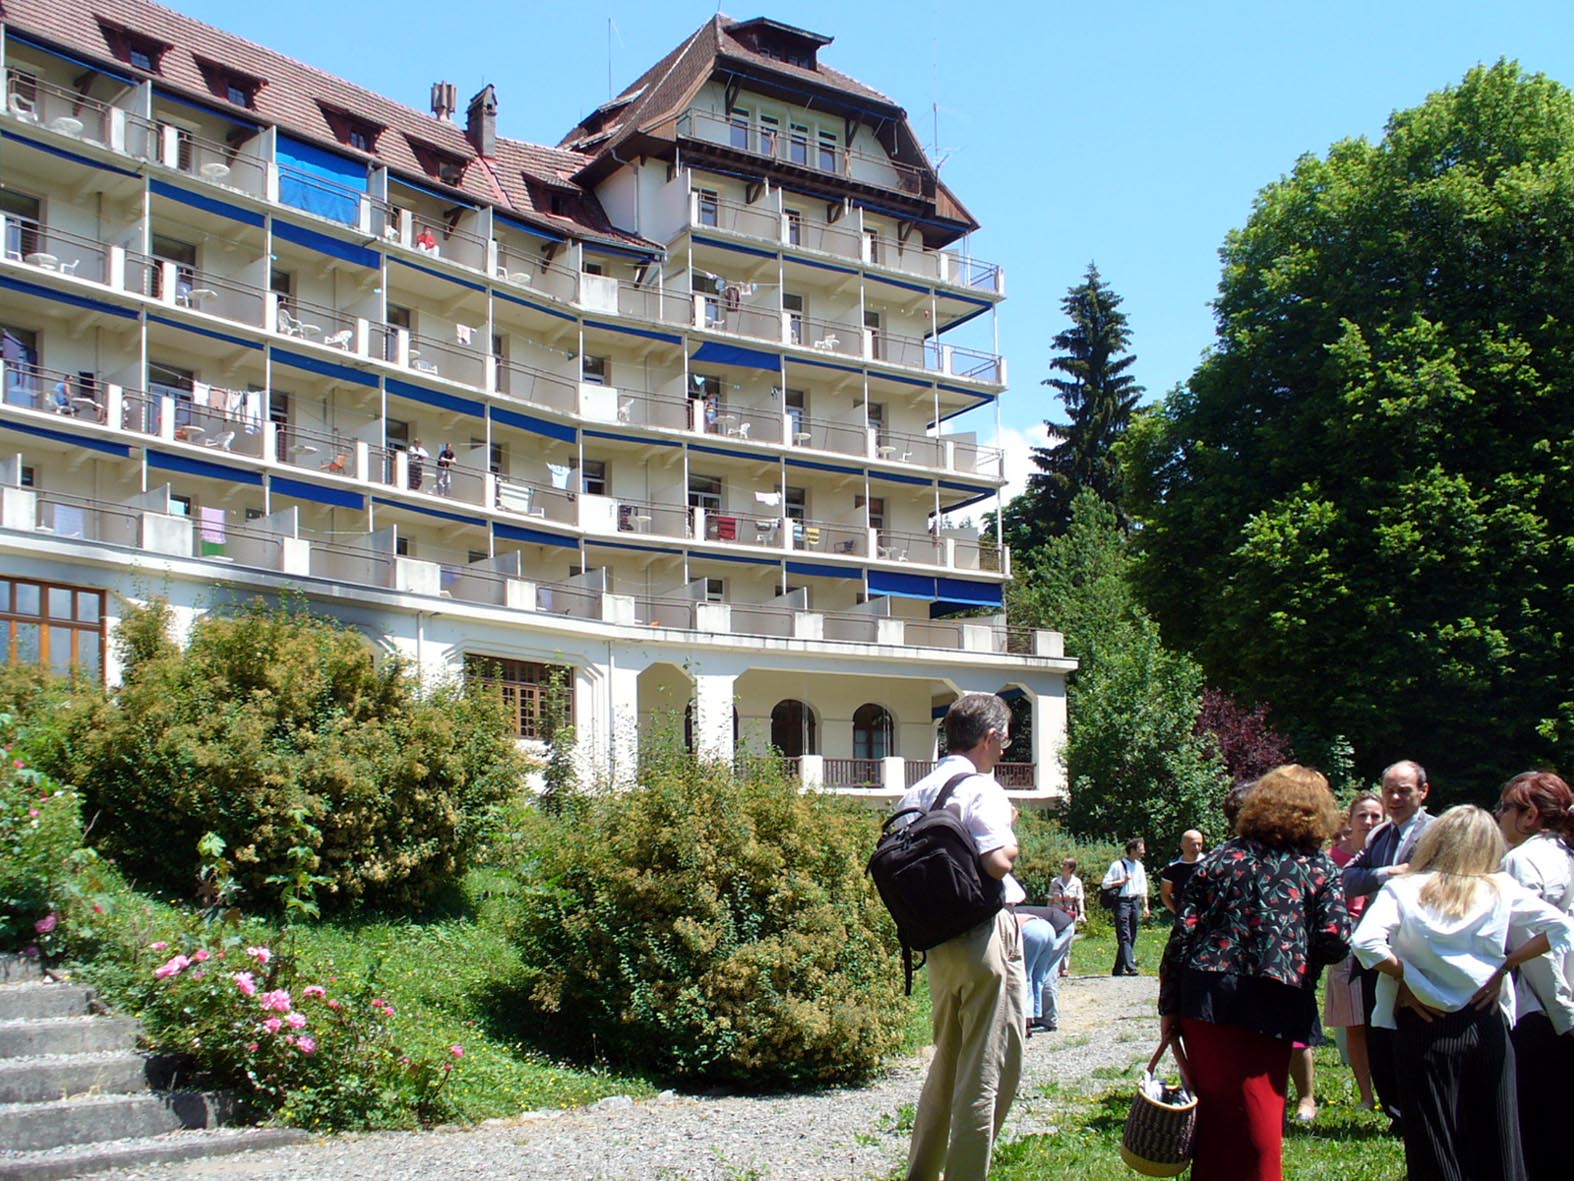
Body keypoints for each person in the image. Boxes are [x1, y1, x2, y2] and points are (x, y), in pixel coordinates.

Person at [1352, 805, 1574, 1181]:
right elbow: (1560, 927)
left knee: (1434, 1143)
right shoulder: (1500, 888)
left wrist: (1408, 978)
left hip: (1423, 1023)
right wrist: (1505, 964)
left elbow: (1366, 943)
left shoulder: (1404, 888)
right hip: (1485, 1020)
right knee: (1500, 1139)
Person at [1159, 764, 1349, 1181]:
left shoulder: (1220, 859)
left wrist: (1169, 1007)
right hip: (1274, 1001)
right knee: (1260, 1121)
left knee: (1212, 1119)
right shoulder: (1317, 868)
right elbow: (1334, 941)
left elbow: (1181, 937)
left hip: (1205, 999)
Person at [899, 693, 1024, 1181]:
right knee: (987, 1067)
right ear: (989, 738)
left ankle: (922, 1173)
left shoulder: (918, 791)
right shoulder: (982, 788)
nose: (1006, 749)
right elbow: (998, 862)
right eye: (1005, 739)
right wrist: (1010, 831)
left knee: (946, 1063)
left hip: (937, 939)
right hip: (983, 935)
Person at [1342, 758, 1434, 1133]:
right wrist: (1387, 874)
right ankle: (1395, 1111)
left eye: (1404, 791)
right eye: (1389, 791)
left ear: (1423, 792)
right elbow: (1347, 879)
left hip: (1414, 949)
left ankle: (1417, 1111)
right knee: (1378, 1034)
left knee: (1412, 1030)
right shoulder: (1380, 834)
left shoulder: (1435, 832)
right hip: (1374, 948)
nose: (1394, 798)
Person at [1494, 772, 1574, 1181]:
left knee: (1542, 1130)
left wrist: (1563, 1017)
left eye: (1505, 807)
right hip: (1558, 1012)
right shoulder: (1564, 853)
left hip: (1543, 1014)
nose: (1499, 816)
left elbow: (1537, 948)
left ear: (1530, 816)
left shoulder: (1522, 861)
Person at [1323, 791, 1384, 1111]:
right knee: (1356, 1023)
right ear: (1351, 819)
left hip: (1386, 943)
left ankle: (1390, 1088)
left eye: (1376, 815)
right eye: (1363, 815)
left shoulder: (1389, 852)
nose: (1369, 821)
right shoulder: (1334, 857)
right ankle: (1365, 1094)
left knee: (1385, 1020)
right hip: (1347, 944)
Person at [1102, 837, 1149, 975]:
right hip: (1122, 902)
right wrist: (1121, 881)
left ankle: (1118, 968)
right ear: (1133, 850)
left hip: (1134, 901)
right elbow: (1105, 884)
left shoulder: (1139, 866)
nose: (1143, 851)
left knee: (1132, 934)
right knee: (1124, 935)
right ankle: (1131, 966)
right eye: (1141, 848)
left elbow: (1143, 887)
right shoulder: (1117, 865)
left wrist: (1145, 905)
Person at [1047, 856, 1085, 976]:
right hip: (1056, 912)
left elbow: (1080, 899)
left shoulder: (1076, 882)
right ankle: (1053, 966)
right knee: (1054, 939)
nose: (1061, 866)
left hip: (1069, 914)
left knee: (1067, 940)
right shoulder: (1055, 881)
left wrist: (1082, 913)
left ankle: (1064, 968)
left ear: (1070, 868)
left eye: (1064, 865)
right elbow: (1049, 898)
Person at [1161, 829, 1206, 914]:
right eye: (1193, 844)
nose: (1196, 848)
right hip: (1184, 917)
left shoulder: (1210, 863)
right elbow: (1165, 894)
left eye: (1199, 844)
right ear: (1182, 846)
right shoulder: (1172, 868)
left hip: (1207, 916)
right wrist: (1177, 912)